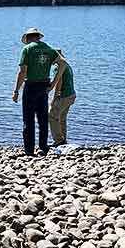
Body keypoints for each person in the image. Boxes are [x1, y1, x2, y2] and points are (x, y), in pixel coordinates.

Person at [12, 27, 65, 156]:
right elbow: (62, 63)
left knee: (28, 119)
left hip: (31, 86)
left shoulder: (27, 49)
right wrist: (53, 84)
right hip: (44, 86)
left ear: (29, 38)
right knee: (42, 118)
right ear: (38, 37)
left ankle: (29, 150)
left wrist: (16, 90)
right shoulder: (48, 48)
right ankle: (43, 147)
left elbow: (23, 72)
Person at [49, 49, 76, 146]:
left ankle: (58, 141)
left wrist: (54, 98)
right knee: (61, 118)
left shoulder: (58, 67)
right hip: (71, 95)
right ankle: (63, 140)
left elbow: (58, 83)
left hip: (64, 96)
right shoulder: (67, 65)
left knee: (52, 116)